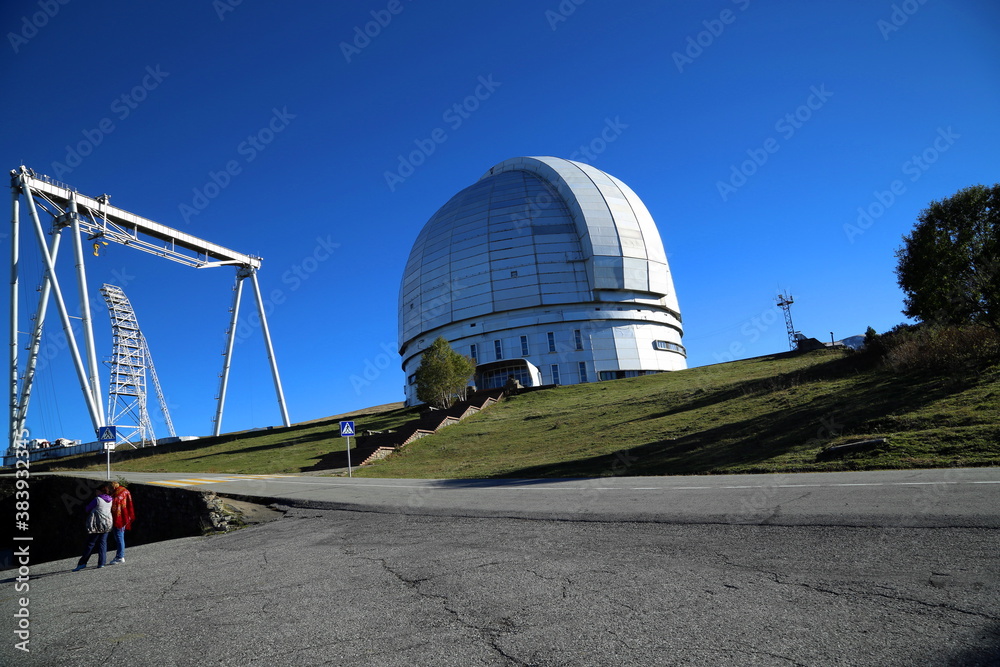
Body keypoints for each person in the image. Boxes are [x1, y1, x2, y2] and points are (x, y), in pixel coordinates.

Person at [73, 484, 113, 571]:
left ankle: (82, 563)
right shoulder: (110, 499)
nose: (96, 492)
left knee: (90, 543)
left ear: (100, 491)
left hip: (97, 524)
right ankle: (101, 563)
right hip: (108, 523)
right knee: (103, 543)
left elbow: (87, 508)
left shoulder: (97, 499)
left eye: (97, 491)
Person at [108, 480, 135, 565]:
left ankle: (120, 556)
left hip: (119, 518)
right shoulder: (125, 491)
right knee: (121, 537)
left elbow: (114, 504)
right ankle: (120, 555)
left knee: (119, 537)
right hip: (125, 515)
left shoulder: (117, 494)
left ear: (112, 487)